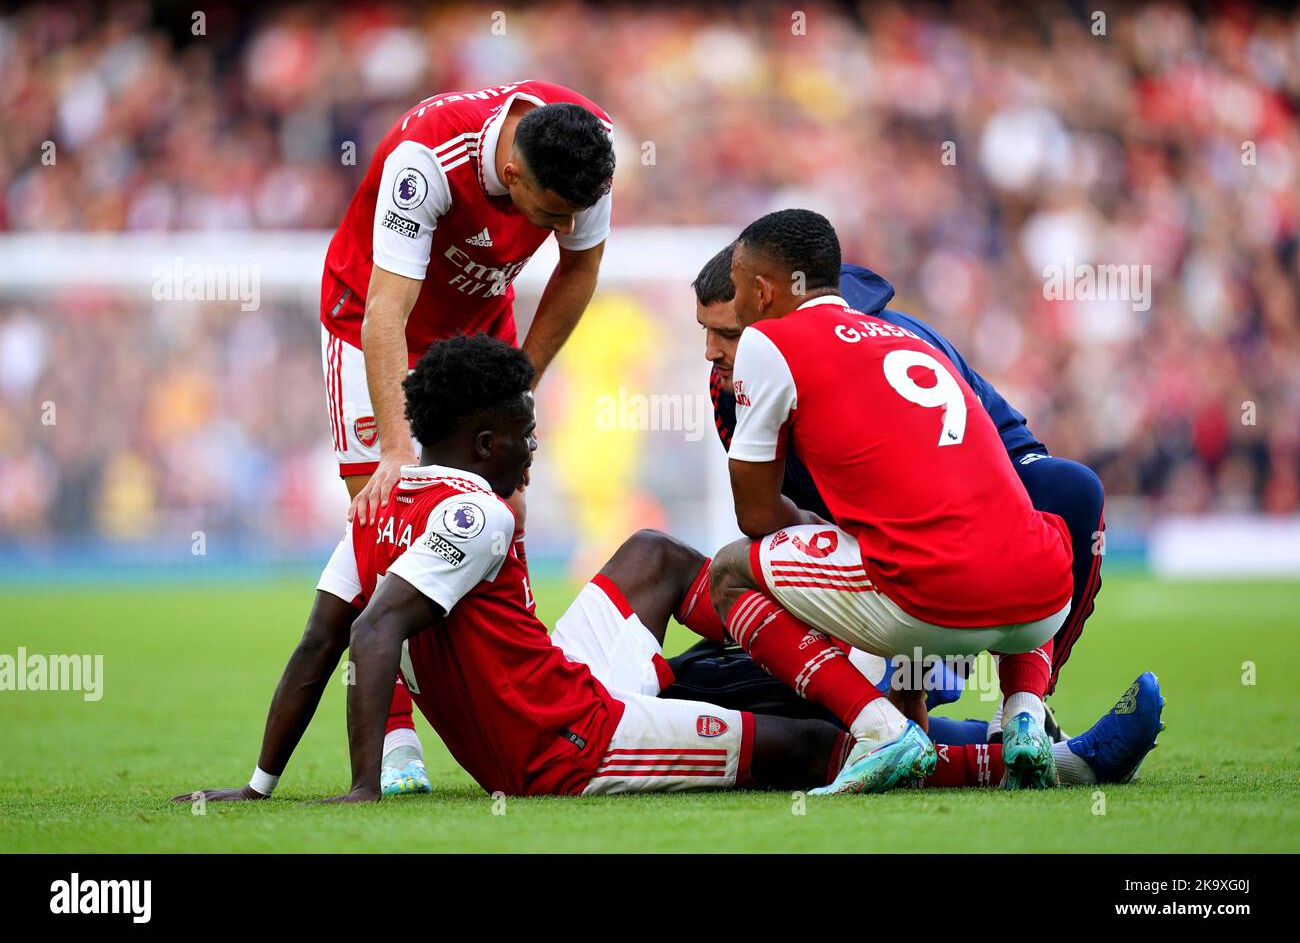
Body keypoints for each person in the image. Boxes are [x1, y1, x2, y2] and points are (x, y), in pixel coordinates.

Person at [172, 335, 1161, 804]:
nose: (534, 450)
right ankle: (1036, 757)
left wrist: (260, 785)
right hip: (570, 741)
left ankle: (843, 683)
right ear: (479, 439)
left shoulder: (378, 510)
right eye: (522, 434)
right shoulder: (478, 507)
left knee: (654, 555)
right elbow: (376, 631)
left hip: (549, 681)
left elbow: (321, 638)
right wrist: (360, 792)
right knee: (801, 744)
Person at [709, 209, 1076, 792]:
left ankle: (878, 729)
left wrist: (808, 524)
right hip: (1043, 602)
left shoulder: (769, 341)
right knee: (1026, 523)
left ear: (760, 290)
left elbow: (754, 515)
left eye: (736, 286)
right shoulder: (909, 337)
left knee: (729, 572)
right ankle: (1024, 715)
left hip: (932, 600)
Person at [319, 80, 615, 792]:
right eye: (550, 214)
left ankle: (517, 693)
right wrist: (397, 447)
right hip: (370, 325)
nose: (561, 225)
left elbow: (579, 273)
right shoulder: (426, 160)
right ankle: (392, 740)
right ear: (513, 172)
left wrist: (519, 385)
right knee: (382, 525)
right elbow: (387, 311)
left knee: (503, 514)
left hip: (479, 330)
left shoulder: (586, 150)